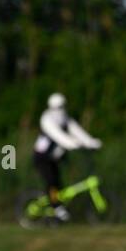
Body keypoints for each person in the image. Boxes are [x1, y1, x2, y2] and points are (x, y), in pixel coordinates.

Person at [32, 93, 102, 222]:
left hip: (55, 157)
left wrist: (91, 142)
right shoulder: (46, 119)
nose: (60, 110)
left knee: (59, 183)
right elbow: (59, 136)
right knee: (51, 181)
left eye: (62, 106)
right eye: (58, 107)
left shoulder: (66, 119)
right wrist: (75, 144)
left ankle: (56, 210)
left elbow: (78, 132)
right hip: (42, 157)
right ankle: (56, 207)